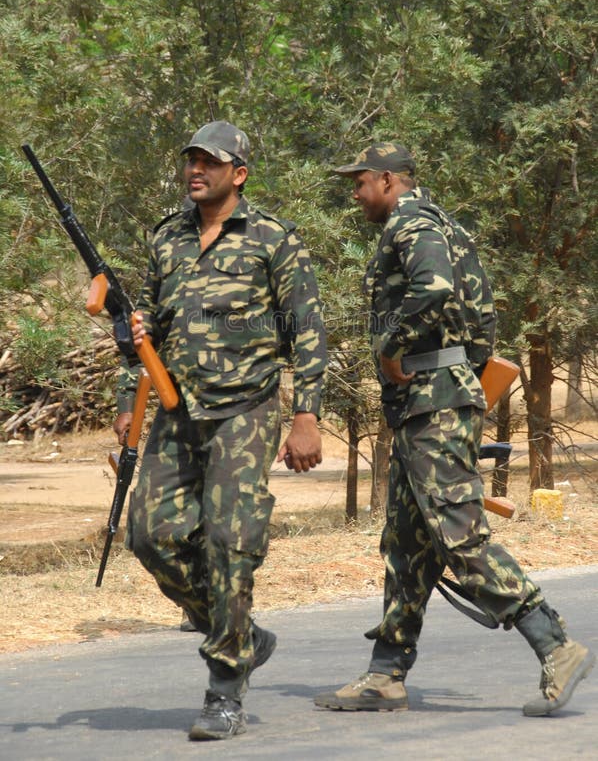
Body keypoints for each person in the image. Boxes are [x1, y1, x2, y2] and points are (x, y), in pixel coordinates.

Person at [314, 142, 594, 717]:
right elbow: (482, 315)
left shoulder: (409, 225)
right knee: (407, 543)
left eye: (361, 182)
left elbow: (436, 291)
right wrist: (463, 373)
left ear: (389, 180)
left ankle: (554, 642)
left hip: (431, 402)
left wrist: (394, 345)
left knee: (458, 534)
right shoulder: (447, 226)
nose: (356, 193)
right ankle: (387, 674)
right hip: (437, 398)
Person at [113, 121, 327, 740]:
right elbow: (144, 329)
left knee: (229, 545)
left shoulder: (273, 240)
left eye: (209, 162)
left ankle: (225, 687)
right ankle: (243, 634)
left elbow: (307, 331)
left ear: (239, 174)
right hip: (178, 410)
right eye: (191, 161)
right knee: (149, 536)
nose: (195, 170)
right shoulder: (168, 238)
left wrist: (306, 415)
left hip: (246, 410)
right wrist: (132, 395)